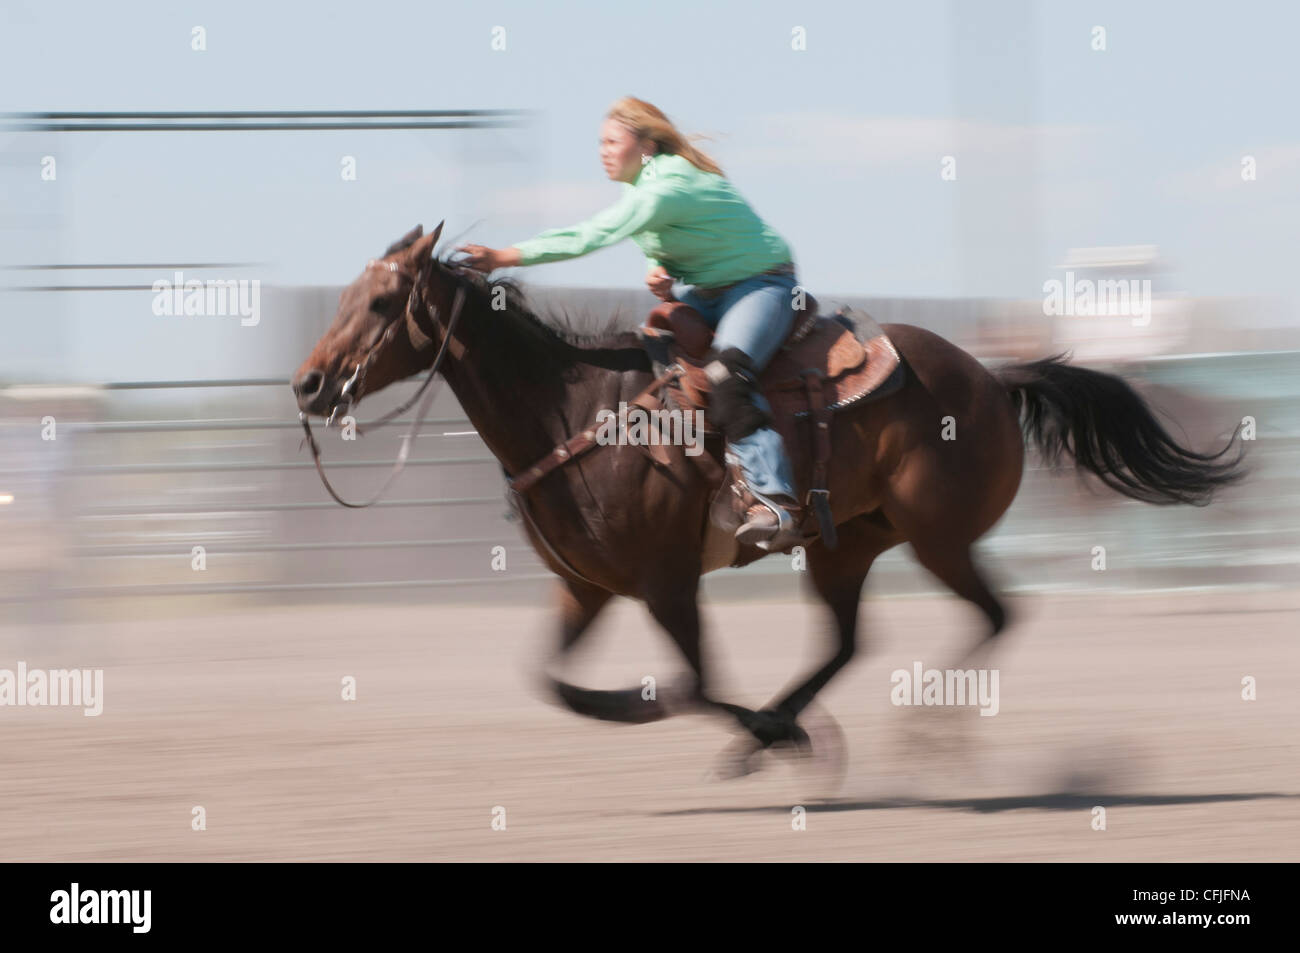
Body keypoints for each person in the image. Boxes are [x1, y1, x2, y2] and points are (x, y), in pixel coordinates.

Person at [457, 96, 803, 550]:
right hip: (703, 292)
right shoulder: (643, 186)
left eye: (611, 141)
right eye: (599, 142)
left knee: (725, 376)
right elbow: (654, 235)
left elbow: (590, 235)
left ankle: (773, 499)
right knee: (651, 361)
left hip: (761, 287)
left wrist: (504, 256)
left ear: (645, 146)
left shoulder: (664, 189)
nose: (602, 151)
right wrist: (657, 264)